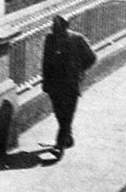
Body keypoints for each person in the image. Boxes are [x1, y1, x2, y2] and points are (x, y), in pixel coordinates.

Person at [41, 15, 97, 153]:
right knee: (59, 113)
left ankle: (59, 146)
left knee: (67, 115)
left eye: (57, 26)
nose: (53, 28)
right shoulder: (50, 39)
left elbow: (92, 57)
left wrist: (80, 70)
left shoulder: (77, 39)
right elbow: (45, 61)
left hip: (70, 83)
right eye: (53, 26)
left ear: (65, 27)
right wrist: (45, 80)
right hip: (54, 83)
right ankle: (68, 138)